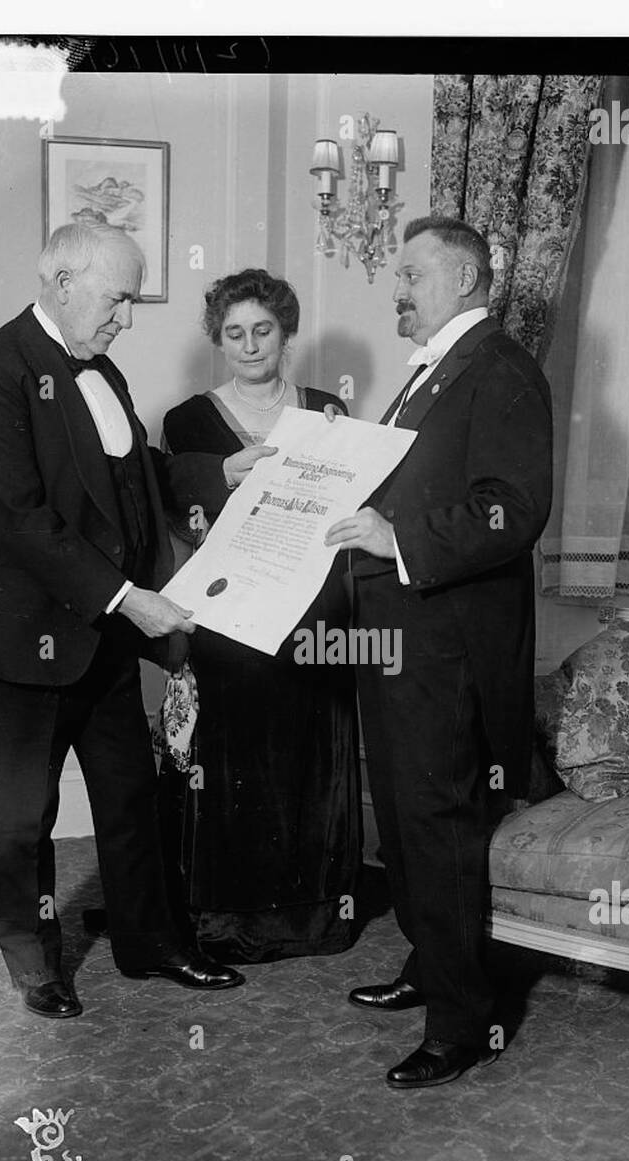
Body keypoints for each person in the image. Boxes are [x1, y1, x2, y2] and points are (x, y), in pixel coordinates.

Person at [0, 222, 245, 1019]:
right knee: (25, 812)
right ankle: (33, 962)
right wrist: (127, 598)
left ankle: (152, 945)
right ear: (63, 282)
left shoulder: (99, 370)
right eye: (119, 297)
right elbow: (19, 519)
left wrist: (220, 470)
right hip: (24, 638)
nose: (127, 316)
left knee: (127, 796)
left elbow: (134, 473)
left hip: (102, 633)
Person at [325, 214, 553, 1089]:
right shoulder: (430, 373)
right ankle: (430, 966)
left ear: (463, 279)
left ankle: (462, 1023)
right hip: (399, 640)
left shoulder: (499, 369)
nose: (398, 290)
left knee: (439, 825)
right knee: (404, 813)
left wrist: (397, 536)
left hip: (448, 648)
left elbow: (510, 509)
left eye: (412, 275)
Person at [156, 268, 361, 963]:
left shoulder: (328, 409)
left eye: (263, 331)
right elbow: (181, 519)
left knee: (313, 759)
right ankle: (229, 921)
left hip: (314, 609)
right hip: (230, 616)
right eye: (235, 333)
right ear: (218, 339)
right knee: (234, 760)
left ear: (286, 333)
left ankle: (314, 918)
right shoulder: (187, 420)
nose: (250, 346)